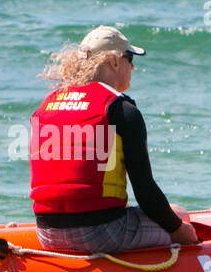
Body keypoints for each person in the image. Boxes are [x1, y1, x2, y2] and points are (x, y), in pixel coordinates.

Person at [29, 25, 199, 253]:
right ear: (114, 62)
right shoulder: (121, 109)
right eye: (129, 58)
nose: (133, 66)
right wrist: (180, 231)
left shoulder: (47, 104)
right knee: (179, 214)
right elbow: (146, 192)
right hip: (100, 233)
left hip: (47, 234)